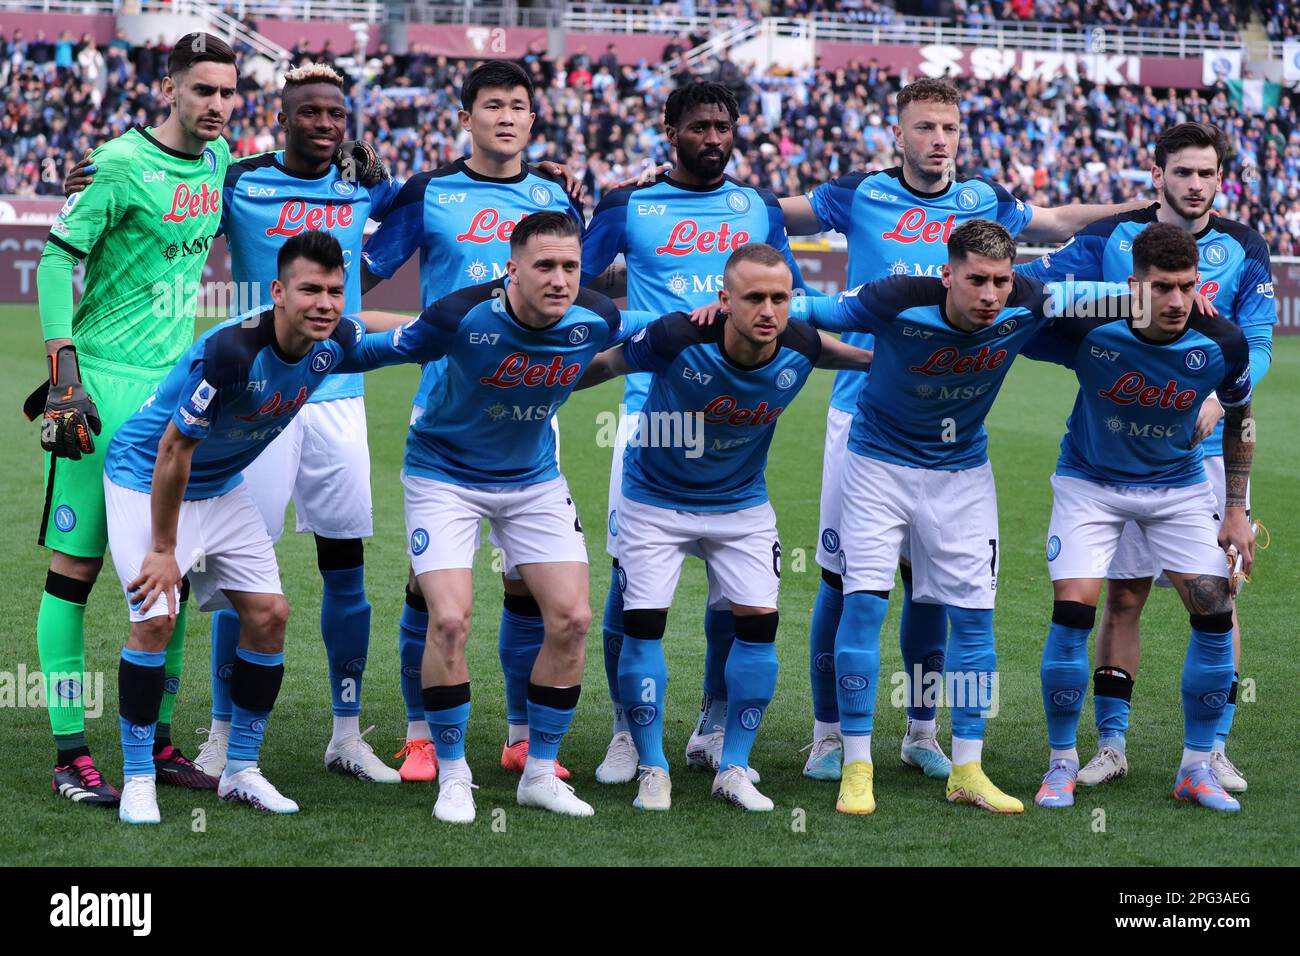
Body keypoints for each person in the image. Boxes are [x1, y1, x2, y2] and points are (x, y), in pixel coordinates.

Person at [777, 77, 1148, 781]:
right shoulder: (857, 193)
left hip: (947, 426)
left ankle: (922, 729)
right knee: (844, 583)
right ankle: (829, 734)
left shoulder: (983, 202)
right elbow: (772, 215)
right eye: (924, 127)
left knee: (932, 587)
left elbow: (1060, 223)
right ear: (899, 132)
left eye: (948, 127)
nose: (938, 140)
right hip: (863, 416)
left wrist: (1141, 206)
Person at [347, 212, 653, 823]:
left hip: (533, 480)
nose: (561, 279)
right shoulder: (462, 315)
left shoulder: (597, 317)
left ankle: (538, 770)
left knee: (570, 618)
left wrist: (722, 315)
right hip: (444, 476)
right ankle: (454, 773)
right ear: (511, 269)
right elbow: (385, 344)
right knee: (452, 619)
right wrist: (300, 343)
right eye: (545, 266)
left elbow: (664, 328)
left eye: (570, 266)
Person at [799, 219, 1109, 816]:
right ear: (947, 274)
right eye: (976, 281)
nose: (990, 295)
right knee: (864, 604)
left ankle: (967, 766)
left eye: (999, 281)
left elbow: (1123, 301)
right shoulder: (892, 299)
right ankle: (856, 764)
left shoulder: (1032, 301)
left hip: (963, 475)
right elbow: (810, 311)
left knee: (973, 622)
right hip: (877, 468)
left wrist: (1186, 305)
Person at [1019, 122, 1275, 792]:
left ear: (1221, 177)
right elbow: (1031, 297)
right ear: (1157, 172)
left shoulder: (1244, 249)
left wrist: (1219, 397)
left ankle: (1208, 752)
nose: (1195, 185)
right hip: (1103, 458)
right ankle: (1104, 746)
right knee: (1120, 598)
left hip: (1193, 458)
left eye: (1207, 173)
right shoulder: (1110, 243)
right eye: (1183, 172)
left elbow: (1253, 350)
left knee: (1218, 601)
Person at [580, 81, 816, 785]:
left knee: (731, 592)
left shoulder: (756, 208)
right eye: (699, 127)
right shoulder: (629, 204)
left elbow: (788, 295)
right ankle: (626, 731)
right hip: (651, 403)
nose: (713, 139)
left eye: (723, 127)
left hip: (734, 409)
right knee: (630, 587)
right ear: (670, 128)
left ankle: (714, 724)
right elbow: (586, 285)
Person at [579, 243, 872, 811]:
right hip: (654, 502)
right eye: (754, 298)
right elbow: (608, 364)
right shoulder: (677, 337)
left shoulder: (801, 345)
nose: (768, 310)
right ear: (724, 300)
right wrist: (541, 387)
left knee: (758, 631)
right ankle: (652, 766)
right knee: (643, 630)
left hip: (741, 507)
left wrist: (907, 359)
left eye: (780, 298)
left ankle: (732, 765)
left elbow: (855, 359)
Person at [360, 60, 586, 783]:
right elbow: (359, 269)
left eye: (520, 105)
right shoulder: (430, 192)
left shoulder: (554, 195)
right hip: (447, 416)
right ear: (466, 117)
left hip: (530, 416)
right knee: (434, 592)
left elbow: (577, 288)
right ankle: (422, 734)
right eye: (493, 105)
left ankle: (523, 736)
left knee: (529, 587)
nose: (508, 117)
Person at [31, 32, 237, 807]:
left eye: (227, 92)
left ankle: (158, 740)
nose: (217, 105)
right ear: (169, 90)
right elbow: (55, 259)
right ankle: (69, 753)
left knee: (167, 571)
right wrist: (64, 375)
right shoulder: (117, 166)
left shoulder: (219, 161)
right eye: (202, 91)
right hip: (103, 391)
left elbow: (250, 175)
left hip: (174, 396)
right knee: (76, 573)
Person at [103, 230, 364, 823]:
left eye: (334, 291)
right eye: (309, 290)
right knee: (157, 617)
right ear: (276, 292)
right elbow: (173, 450)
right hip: (146, 477)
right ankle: (140, 775)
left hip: (220, 486)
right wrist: (165, 550)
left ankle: (241, 769)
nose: (324, 303)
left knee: (269, 615)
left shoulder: (330, 340)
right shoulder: (231, 353)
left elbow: (375, 332)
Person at [196, 62, 404, 785]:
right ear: (283, 117)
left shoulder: (362, 184)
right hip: (256, 400)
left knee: (345, 570)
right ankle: (222, 734)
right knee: (236, 580)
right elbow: (174, 200)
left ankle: (346, 733)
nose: (324, 124)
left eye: (335, 114)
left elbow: (409, 217)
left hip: (338, 396)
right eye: (309, 112)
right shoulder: (240, 180)